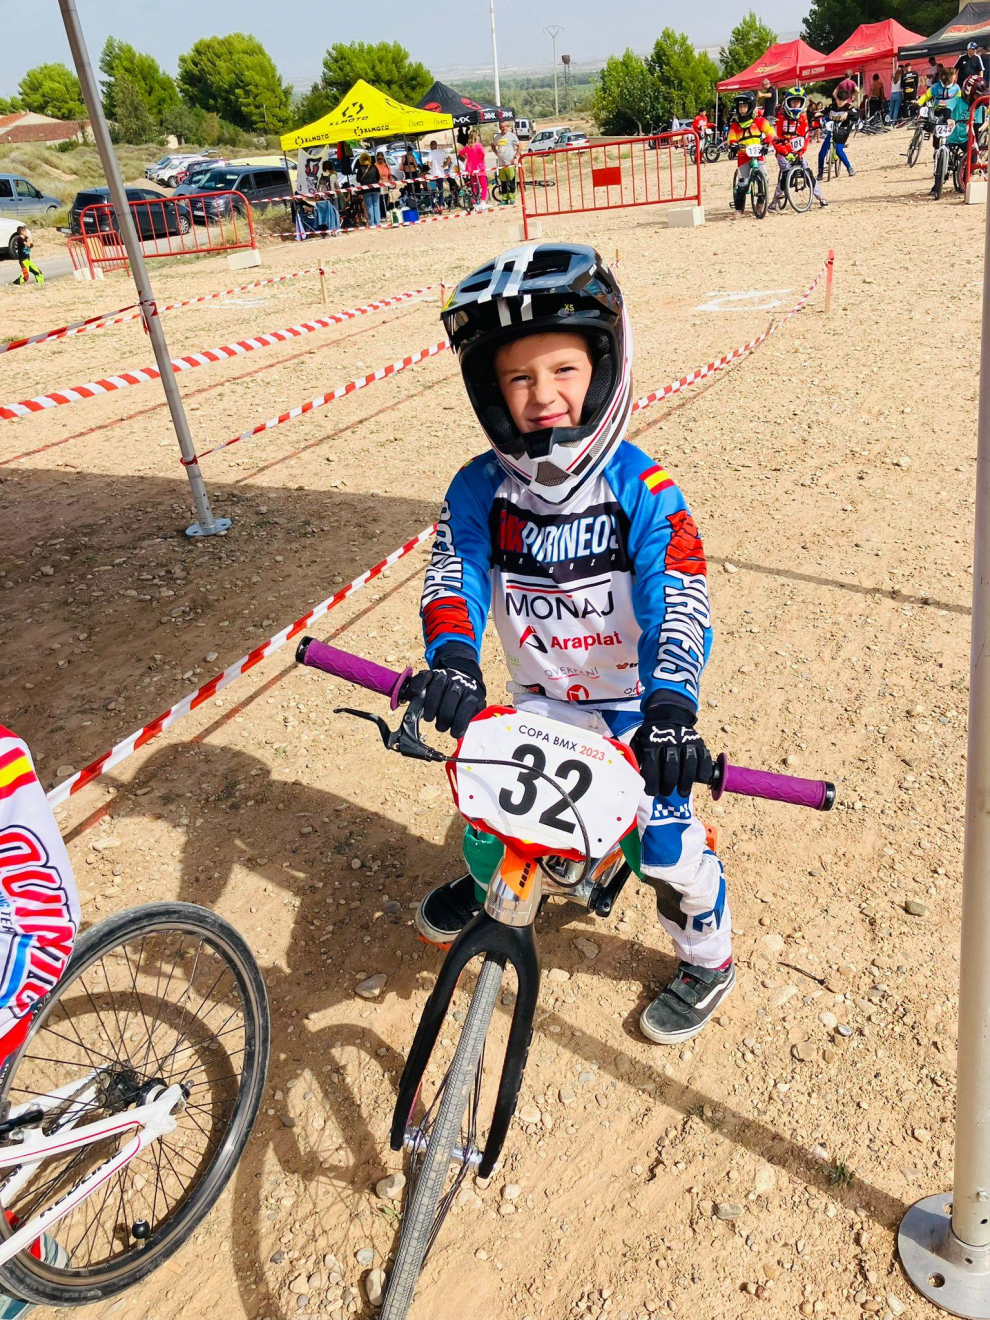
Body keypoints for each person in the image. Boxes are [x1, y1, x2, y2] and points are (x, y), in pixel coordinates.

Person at [412, 241, 734, 1045]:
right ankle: (499, 883)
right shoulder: (477, 487)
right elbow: (455, 574)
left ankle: (708, 956)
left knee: (666, 850)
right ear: (491, 389)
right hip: (540, 702)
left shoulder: (645, 488)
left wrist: (670, 709)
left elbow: (681, 600)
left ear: (604, 366)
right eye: (518, 378)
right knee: (487, 815)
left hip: (636, 710)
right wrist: (451, 659)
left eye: (562, 370)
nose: (542, 396)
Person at [769, 86, 827, 211]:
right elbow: (775, 139)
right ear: (788, 102)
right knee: (785, 173)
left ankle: (821, 198)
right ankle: (774, 202)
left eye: (798, 102)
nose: (795, 105)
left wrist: (800, 152)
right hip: (783, 152)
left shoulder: (803, 119)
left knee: (808, 172)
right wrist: (785, 152)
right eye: (793, 102)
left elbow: (805, 138)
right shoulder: (780, 118)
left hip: (797, 152)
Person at [933, 73, 987, 196]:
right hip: (951, 135)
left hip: (964, 137)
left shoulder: (978, 107)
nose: (979, 98)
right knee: (941, 153)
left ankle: (964, 180)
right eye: (977, 95)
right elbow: (948, 110)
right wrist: (948, 119)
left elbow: (977, 126)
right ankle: (938, 180)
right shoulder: (957, 100)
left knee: (973, 154)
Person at [726, 89, 776, 220]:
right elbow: (731, 137)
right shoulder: (735, 126)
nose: (742, 109)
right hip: (743, 157)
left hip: (758, 154)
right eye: (740, 107)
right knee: (743, 183)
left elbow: (771, 132)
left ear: (750, 107)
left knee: (763, 179)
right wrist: (733, 144)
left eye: (744, 106)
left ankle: (760, 203)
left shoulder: (759, 121)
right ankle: (738, 209)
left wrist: (766, 142)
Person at [819, 86, 856, 178]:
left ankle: (849, 168)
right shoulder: (832, 106)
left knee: (839, 151)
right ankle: (820, 172)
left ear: (846, 100)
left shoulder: (848, 107)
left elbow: (856, 113)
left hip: (841, 133)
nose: (840, 102)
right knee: (822, 152)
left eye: (842, 100)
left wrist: (847, 113)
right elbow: (824, 111)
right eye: (839, 100)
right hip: (831, 131)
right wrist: (818, 113)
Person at [492, 118, 521, 204]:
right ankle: (504, 198)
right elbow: (492, 145)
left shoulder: (511, 136)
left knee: (511, 180)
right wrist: (496, 153)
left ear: (507, 126)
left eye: (505, 126)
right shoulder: (497, 137)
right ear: (499, 127)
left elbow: (520, 146)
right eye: (501, 127)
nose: (503, 128)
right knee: (503, 181)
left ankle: (512, 198)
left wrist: (515, 157)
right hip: (501, 164)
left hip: (510, 163)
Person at [459, 129, 489, 210]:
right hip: (479, 167)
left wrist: (467, 157)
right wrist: (481, 159)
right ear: (477, 137)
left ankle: (475, 202)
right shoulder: (478, 145)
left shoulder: (467, 146)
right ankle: (482, 201)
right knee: (484, 185)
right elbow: (483, 153)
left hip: (470, 168)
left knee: (474, 186)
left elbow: (460, 152)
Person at [355, 152, 380, 227]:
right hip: (375, 188)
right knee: (376, 205)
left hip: (366, 190)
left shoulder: (360, 169)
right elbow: (378, 177)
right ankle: (378, 222)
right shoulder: (374, 167)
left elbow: (358, 180)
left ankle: (372, 223)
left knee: (369, 206)